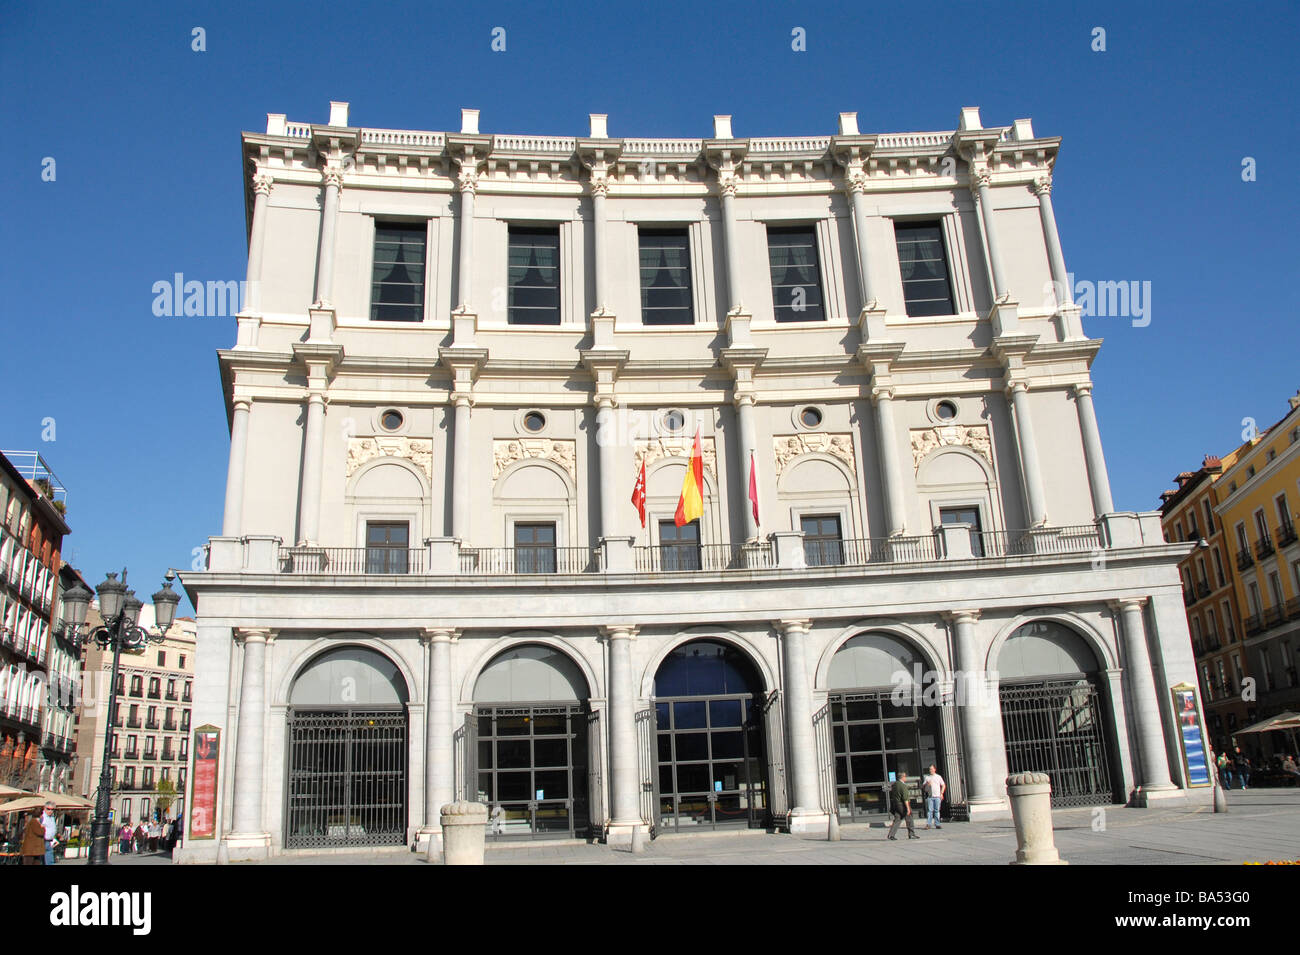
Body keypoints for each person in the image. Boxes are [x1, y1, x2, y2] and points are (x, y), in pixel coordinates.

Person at [887, 772, 919, 841]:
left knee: (897, 819)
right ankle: (911, 834)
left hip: (896, 804)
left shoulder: (895, 784)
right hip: (902, 805)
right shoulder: (903, 786)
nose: (905, 778)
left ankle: (891, 835)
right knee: (909, 817)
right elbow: (905, 798)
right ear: (902, 777)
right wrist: (908, 808)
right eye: (905, 776)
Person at [921, 764, 946, 830]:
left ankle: (937, 824)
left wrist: (941, 793)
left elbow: (943, 785)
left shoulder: (938, 777)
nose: (930, 770)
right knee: (930, 811)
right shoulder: (927, 777)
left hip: (937, 796)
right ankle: (928, 824)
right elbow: (923, 786)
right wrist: (927, 784)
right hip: (930, 796)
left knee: (937, 810)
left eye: (932, 769)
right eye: (929, 769)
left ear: (935, 769)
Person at [40, 802, 59, 866]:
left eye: (52, 809)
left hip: (50, 841)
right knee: (45, 860)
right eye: (48, 809)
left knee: (48, 860)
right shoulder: (42, 817)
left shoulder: (52, 817)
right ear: (44, 808)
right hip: (43, 840)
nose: (50, 811)